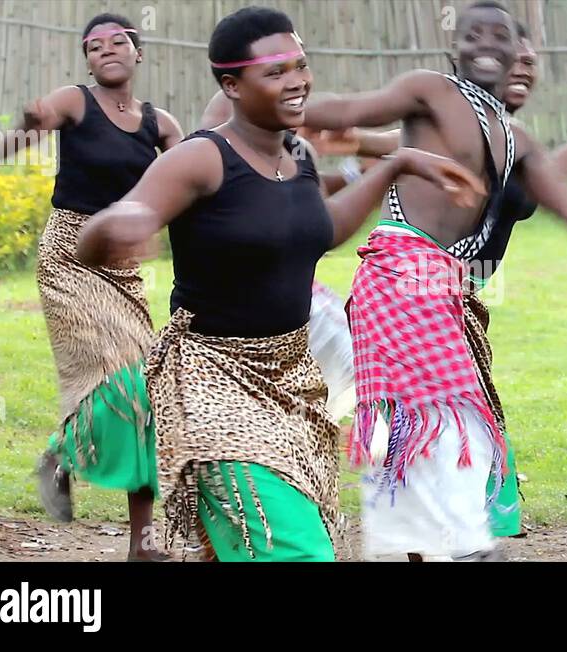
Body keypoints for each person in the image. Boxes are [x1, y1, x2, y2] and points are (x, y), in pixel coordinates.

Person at [75, 6, 484, 561]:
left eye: (300, 65)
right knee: (292, 549)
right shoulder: (201, 157)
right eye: (274, 72)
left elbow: (323, 230)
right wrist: (118, 227)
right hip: (215, 381)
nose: (296, 81)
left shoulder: (297, 154)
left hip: (294, 384)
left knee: (265, 542)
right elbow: (107, 228)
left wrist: (395, 165)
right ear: (232, 85)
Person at [303, 1, 567, 561]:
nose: (484, 42)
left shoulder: (516, 141)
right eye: (472, 32)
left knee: (441, 433)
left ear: (516, 53)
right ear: (455, 47)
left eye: (499, 35)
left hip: (443, 293)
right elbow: (347, 109)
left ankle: (428, 547)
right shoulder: (430, 90)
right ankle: (466, 549)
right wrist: (282, 106)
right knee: (449, 431)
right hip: (401, 276)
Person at [4, 13, 183, 561]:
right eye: (95, 45)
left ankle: (141, 543)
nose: (107, 49)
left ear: (138, 53)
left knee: (146, 392)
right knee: (121, 379)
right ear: (87, 59)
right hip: (69, 256)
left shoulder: (160, 124)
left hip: (122, 264)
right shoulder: (75, 101)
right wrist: (26, 125)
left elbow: (193, 175)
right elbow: (21, 135)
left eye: (119, 41)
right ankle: (61, 455)